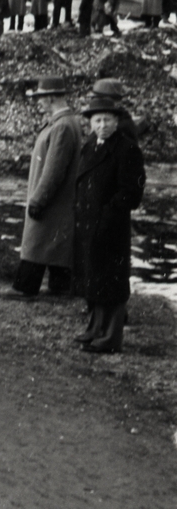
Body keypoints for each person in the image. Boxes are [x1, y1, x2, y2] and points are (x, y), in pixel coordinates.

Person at [73, 97, 146, 354]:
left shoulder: (127, 150)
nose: (102, 125)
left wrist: (107, 216)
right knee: (93, 277)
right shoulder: (90, 145)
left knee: (111, 282)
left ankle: (111, 337)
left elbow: (131, 193)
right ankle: (94, 328)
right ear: (90, 123)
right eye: (97, 120)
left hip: (111, 228)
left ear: (116, 121)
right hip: (89, 225)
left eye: (107, 120)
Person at [3, 77, 84, 299]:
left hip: (52, 201)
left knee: (37, 241)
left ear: (50, 98)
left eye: (40, 98)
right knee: (54, 244)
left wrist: (38, 199)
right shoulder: (65, 123)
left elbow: (54, 171)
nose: (38, 102)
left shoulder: (63, 126)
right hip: (59, 202)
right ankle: (60, 287)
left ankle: (25, 288)